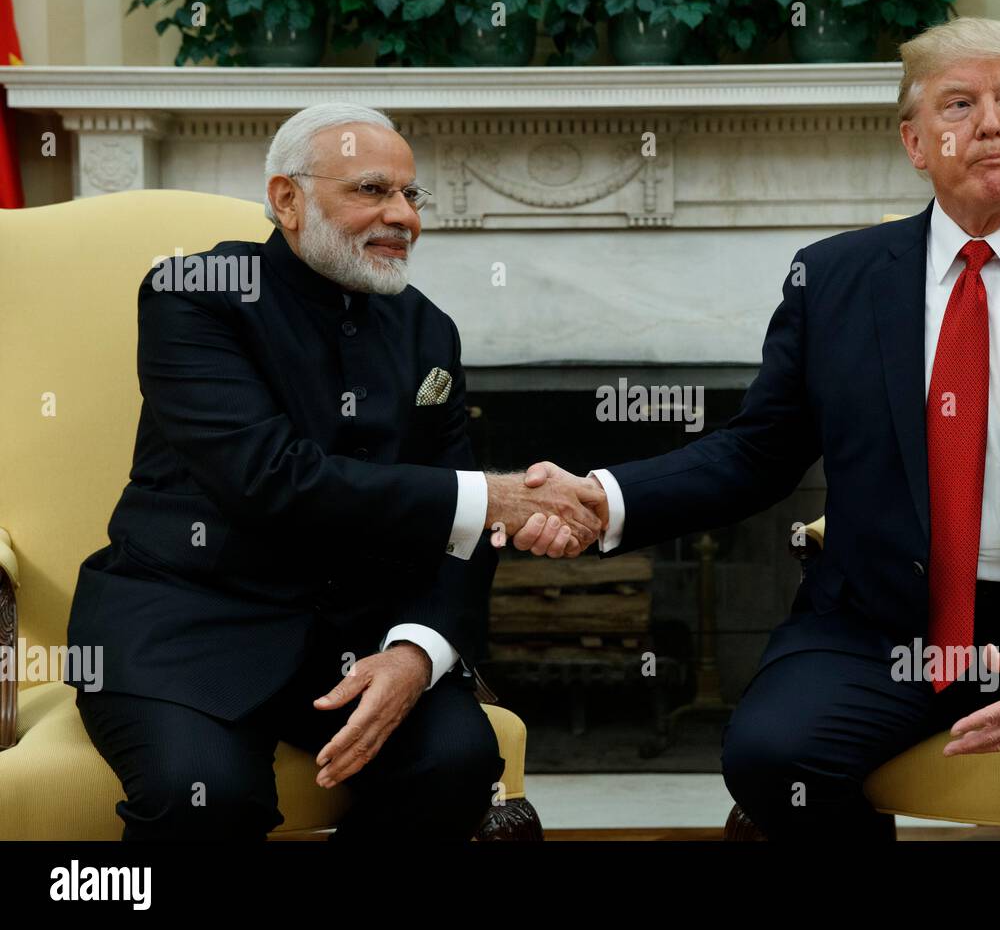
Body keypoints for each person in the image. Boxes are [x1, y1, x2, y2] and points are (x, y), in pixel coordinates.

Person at [517, 17, 1000, 840]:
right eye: (959, 104)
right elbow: (760, 452)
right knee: (772, 756)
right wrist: (605, 498)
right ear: (914, 142)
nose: (991, 123)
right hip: (886, 622)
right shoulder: (833, 281)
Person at [65, 103, 605, 840]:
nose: (402, 217)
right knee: (206, 794)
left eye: (411, 196)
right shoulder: (194, 294)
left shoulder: (426, 330)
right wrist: (492, 495)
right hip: (189, 625)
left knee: (455, 759)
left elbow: (461, 534)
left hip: (361, 635)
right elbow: (270, 476)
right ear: (287, 199)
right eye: (372, 191)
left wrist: (417, 652)